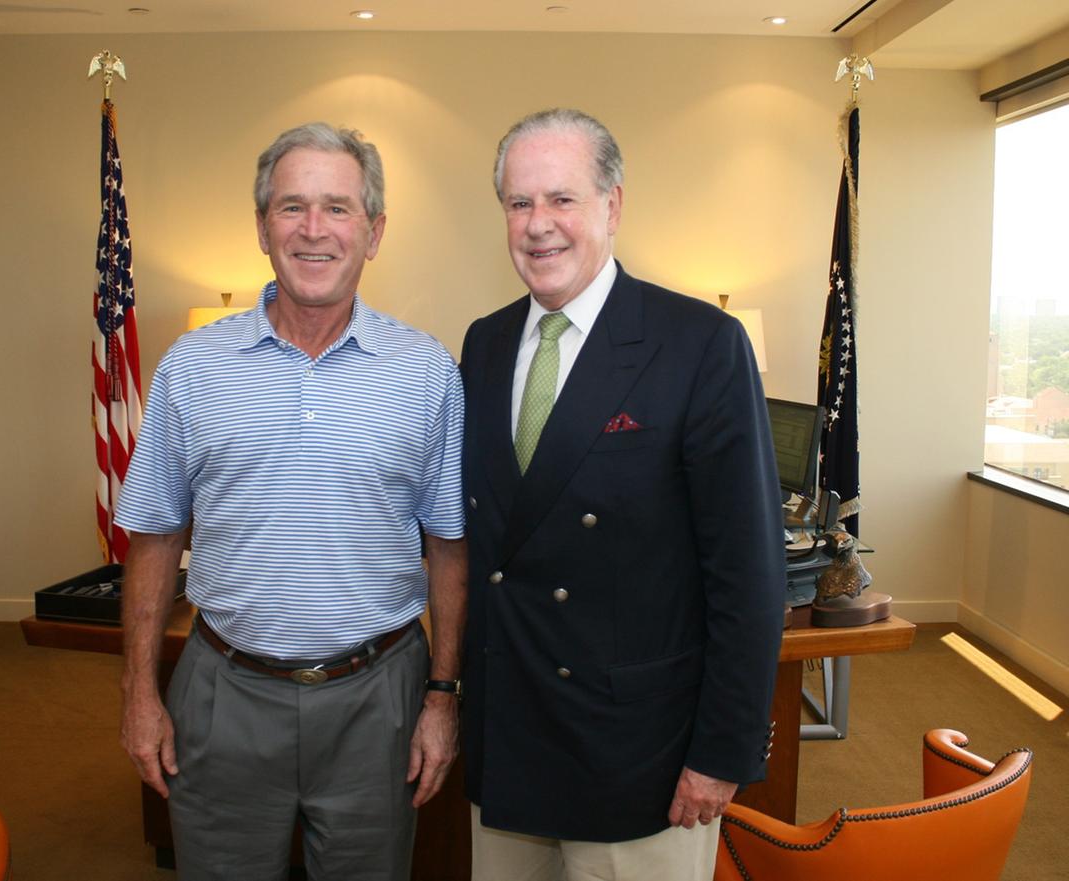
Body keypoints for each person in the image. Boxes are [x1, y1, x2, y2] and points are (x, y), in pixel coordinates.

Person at [116, 122, 467, 881]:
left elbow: (449, 545)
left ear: (374, 232)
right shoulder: (192, 367)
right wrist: (140, 693)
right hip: (223, 694)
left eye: (338, 209)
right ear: (261, 227)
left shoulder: (428, 371)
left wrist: (441, 698)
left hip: (380, 698)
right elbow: (154, 535)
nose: (315, 230)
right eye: (292, 207)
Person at [459, 108, 785, 881]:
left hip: (642, 758)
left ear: (613, 205)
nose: (539, 225)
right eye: (519, 202)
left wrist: (722, 751)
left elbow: (748, 573)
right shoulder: (485, 341)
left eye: (562, 199)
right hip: (510, 738)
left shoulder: (700, 344)